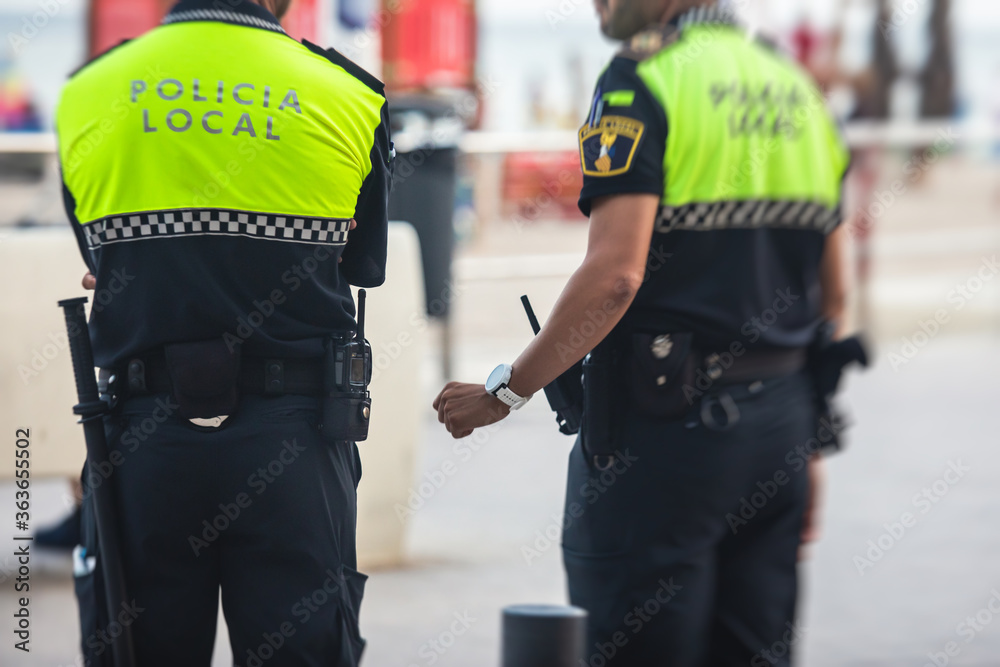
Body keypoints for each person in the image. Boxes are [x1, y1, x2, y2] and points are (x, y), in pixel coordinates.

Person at [434, 0, 850, 664]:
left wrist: (503, 393)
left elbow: (615, 278)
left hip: (664, 440)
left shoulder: (641, 80)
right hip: (779, 429)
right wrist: (812, 437)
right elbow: (834, 293)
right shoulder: (792, 84)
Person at [55, 0, 392, 664]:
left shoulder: (89, 91)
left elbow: (104, 262)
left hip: (143, 439)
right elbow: (363, 266)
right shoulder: (351, 94)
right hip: (296, 438)